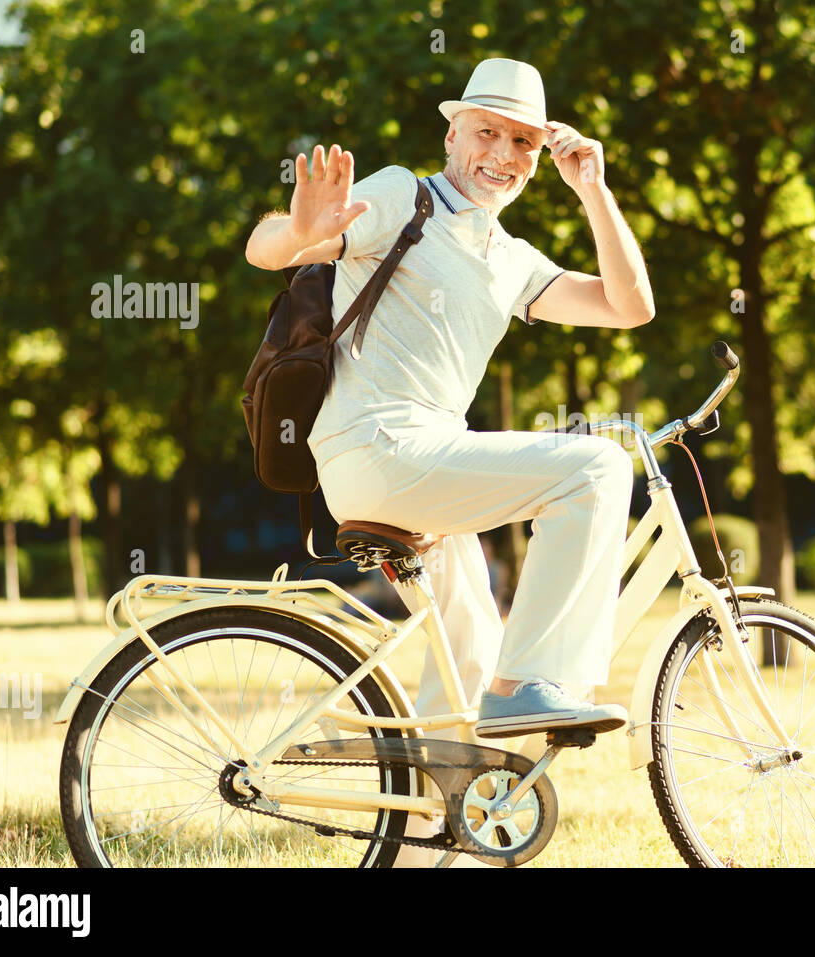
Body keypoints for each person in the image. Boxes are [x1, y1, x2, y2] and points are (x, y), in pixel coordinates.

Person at [244, 58, 655, 858]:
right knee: (598, 468)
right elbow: (269, 249)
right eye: (488, 132)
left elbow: (629, 306)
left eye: (523, 142)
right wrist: (300, 230)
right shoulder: (406, 194)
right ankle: (528, 689)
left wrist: (593, 189)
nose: (502, 154)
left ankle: (432, 823)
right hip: (379, 448)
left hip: (429, 464)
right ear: (452, 133)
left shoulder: (510, 260)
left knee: (469, 644)